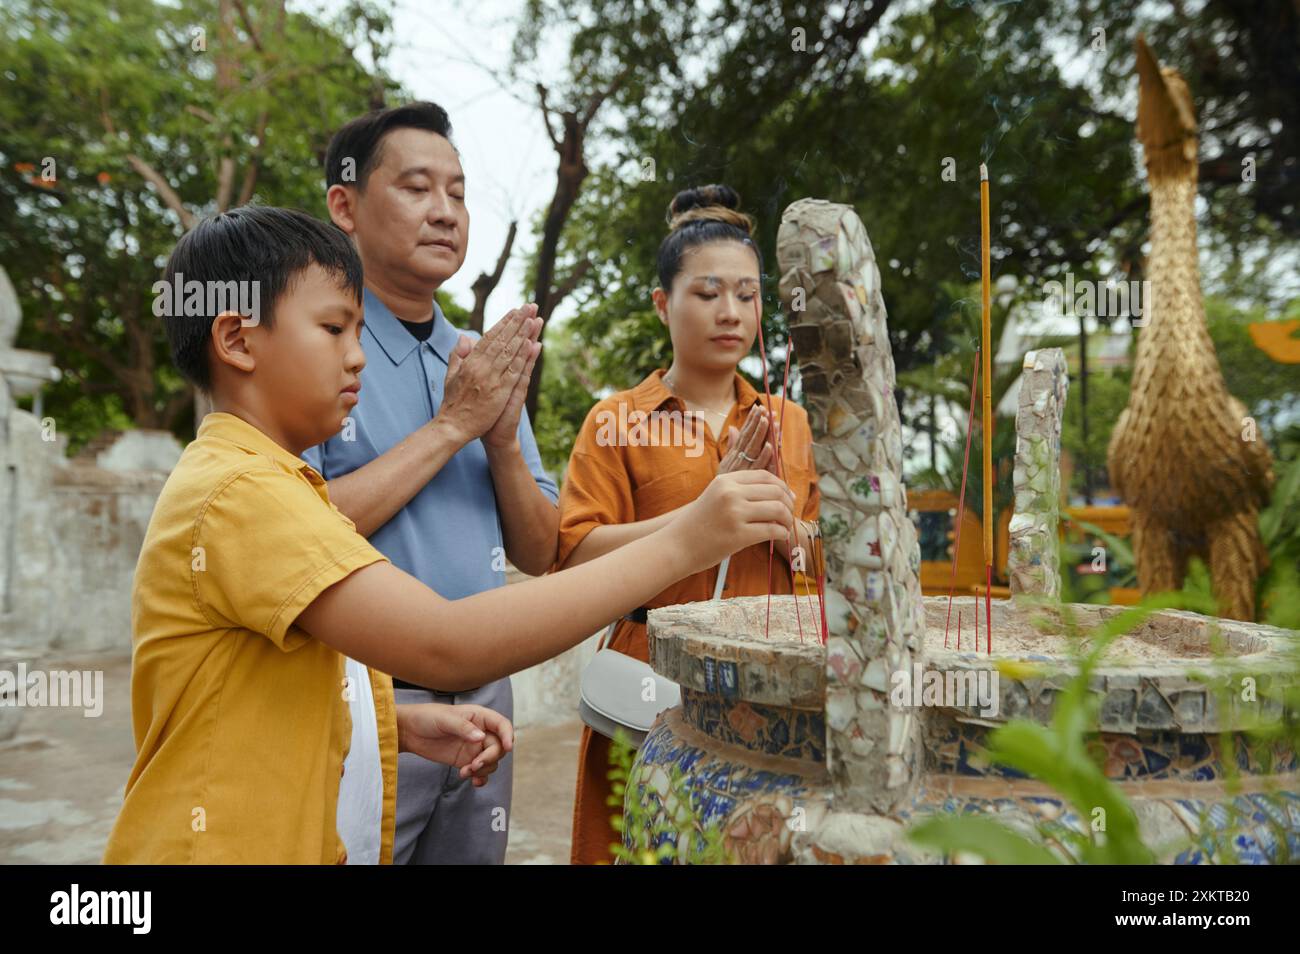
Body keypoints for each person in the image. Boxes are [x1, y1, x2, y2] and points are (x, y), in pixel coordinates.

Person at [102, 204, 795, 864]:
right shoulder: (243, 491)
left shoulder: (272, 481)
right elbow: (447, 642)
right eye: (334, 328)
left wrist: (389, 726)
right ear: (236, 339)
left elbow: (259, 686)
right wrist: (686, 541)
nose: (358, 357)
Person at [304, 101, 555, 864]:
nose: (445, 212)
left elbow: (541, 552)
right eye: (417, 187)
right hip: (364, 699)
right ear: (344, 205)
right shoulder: (312, 349)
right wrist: (450, 428)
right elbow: (295, 535)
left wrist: (502, 441)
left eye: (458, 191)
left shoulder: (480, 360)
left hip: (486, 705)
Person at [556, 184, 822, 865]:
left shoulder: (787, 420)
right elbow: (579, 559)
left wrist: (794, 533)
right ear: (662, 304)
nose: (730, 312)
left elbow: (828, 555)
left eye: (747, 294)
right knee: (644, 844)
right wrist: (708, 509)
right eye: (707, 293)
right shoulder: (618, 420)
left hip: (776, 688)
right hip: (653, 680)